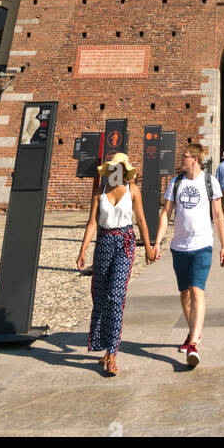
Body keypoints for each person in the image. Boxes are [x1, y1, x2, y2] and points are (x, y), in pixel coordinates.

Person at [77, 152, 155, 376]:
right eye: (112, 168)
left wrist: (148, 247)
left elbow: (140, 220)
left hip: (125, 243)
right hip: (103, 243)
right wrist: (82, 250)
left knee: (115, 295)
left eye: (118, 168)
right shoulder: (99, 192)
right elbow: (92, 223)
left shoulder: (133, 191)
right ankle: (104, 347)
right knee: (100, 296)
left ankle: (112, 352)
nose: (115, 172)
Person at [153, 143, 224, 366]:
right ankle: (193, 331)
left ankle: (193, 344)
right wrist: (157, 242)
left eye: (184, 156)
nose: (181, 160)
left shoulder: (209, 182)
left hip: (203, 244)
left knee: (197, 291)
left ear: (195, 159)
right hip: (179, 247)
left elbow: (218, 215)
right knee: (184, 294)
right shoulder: (176, 183)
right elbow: (166, 213)